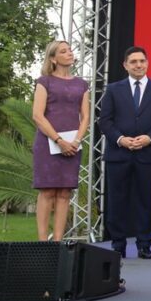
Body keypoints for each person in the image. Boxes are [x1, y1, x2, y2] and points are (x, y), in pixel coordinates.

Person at [99, 46, 151, 258]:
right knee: (117, 201)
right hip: (118, 154)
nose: (139, 65)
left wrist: (150, 138)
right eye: (134, 62)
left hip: (147, 154)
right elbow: (105, 121)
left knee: (145, 200)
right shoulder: (113, 89)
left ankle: (143, 245)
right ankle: (118, 245)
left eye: (142, 61)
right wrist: (121, 139)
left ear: (147, 63)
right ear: (125, 65)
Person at [31, 40, 90, 242]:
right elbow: (38, 115)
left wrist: (75, 141)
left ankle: (57, 241)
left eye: (70, 50)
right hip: (48, 144)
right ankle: (42, 242)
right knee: (47, 191)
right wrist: (58, 140)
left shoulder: (82, 84)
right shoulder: (44, 81)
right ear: (53, 59)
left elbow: (85, 117)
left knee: (65, 192)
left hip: (73, 145)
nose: (69, 53)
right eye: (63, 51)